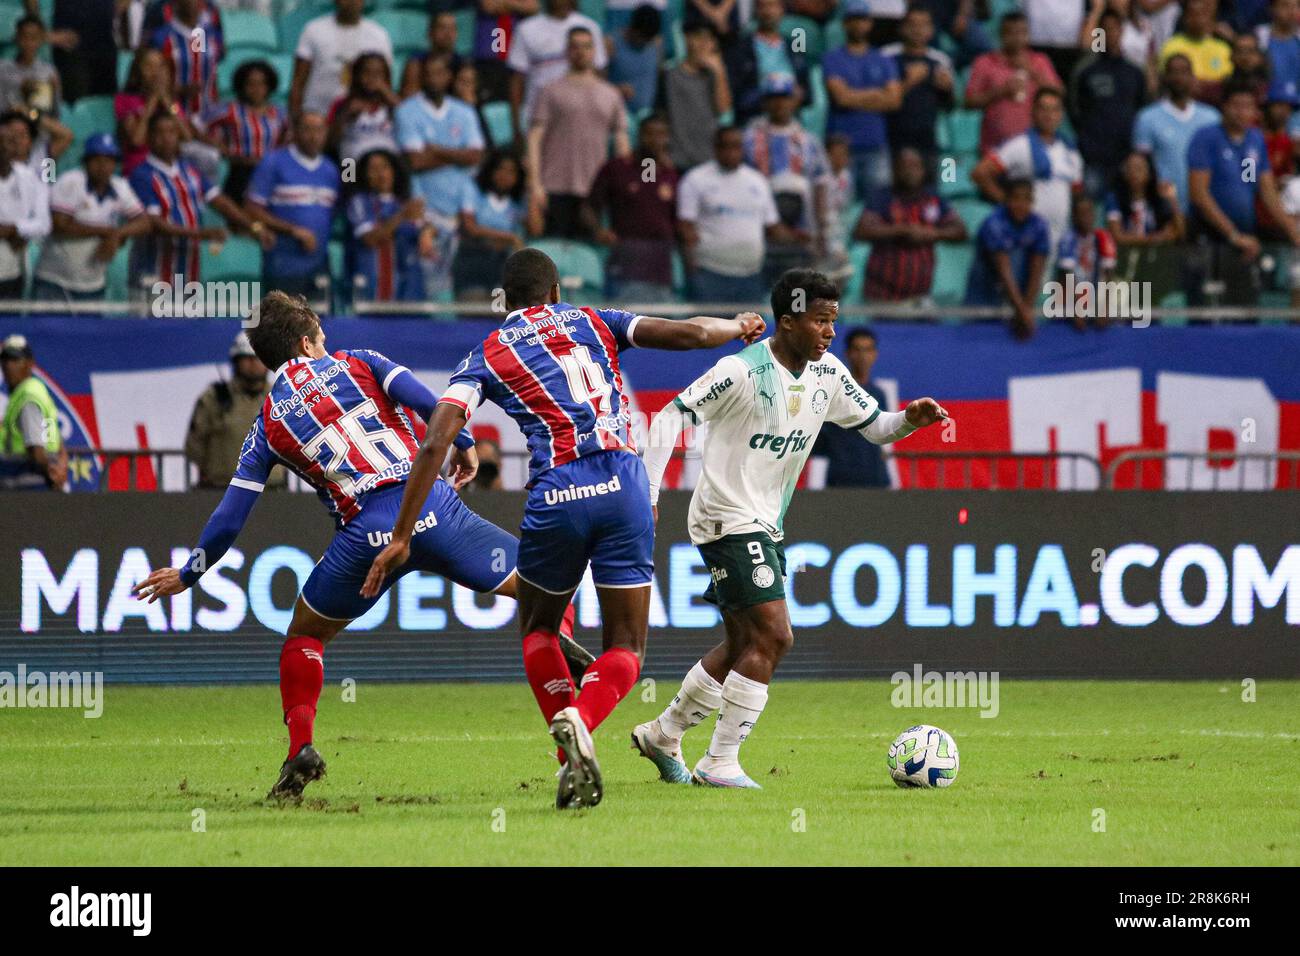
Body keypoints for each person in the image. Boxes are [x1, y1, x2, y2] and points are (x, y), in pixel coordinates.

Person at [134, 290, 595, 801]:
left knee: (303, 639)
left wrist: (190, 573)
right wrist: (464, 446)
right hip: (436, 511)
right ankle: (564, 736)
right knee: (548, 589)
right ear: (308, 341)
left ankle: (301, 750)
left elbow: (231, 515)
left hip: (366, 536)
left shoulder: (267, 421)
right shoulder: (362, 362)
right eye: (321, 337)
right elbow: (435, 405)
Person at [361, 248, 767, 810]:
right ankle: (584, 718)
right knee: (625, 645)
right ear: (555, 292)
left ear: (504, 301)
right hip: (623, 483)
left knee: (539, 629)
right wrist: (737, 326)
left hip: (557, 493)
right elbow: (692, 334)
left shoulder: (486, 355)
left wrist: (403, 534)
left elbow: (435, 440)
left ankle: (565, 744)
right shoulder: (594, 320)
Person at [634, 269, 947, 788]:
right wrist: (647, 497)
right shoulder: (739, 370)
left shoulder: (828, 375)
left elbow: (875, 428)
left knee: (742, 645)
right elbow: (669, 418)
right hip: (726, 516)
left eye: (833, 321)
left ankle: (664, 733)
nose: (829, 332)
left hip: (764, 522)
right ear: (788, 321)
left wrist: (910, 418)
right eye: (821, 321)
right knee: (776, 635)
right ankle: (720, 761)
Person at [1185, 78, 1300, 305]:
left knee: (1244, 307)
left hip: (1246, 238)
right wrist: (1233, 235)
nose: (1242, 112)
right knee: (1206, 309)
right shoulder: (1207, 138)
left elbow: (1265, 191)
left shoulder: (1254, 140)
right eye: (1236, 105)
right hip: (1209, 238)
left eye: (1248, 106)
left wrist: (1293, 231)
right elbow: (1199, 194)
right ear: (1224, 107)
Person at [128, 110, 267, 293]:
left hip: (188, 271)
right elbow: (154, 223)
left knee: (187, 320)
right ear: (149, 137)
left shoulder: (190, 170)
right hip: (153, 272)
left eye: (171, 132)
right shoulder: (142, 174)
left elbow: (220, 202)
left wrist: (253, 227)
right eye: (159, 132)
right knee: (152, 321)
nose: (166, 138)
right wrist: (200, 234)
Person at [396, 52, 486, 298]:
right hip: (426, 211)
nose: (433, 78)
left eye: (439, 72)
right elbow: (415, 161)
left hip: (462, 210)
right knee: (428, 290)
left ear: (449, 77)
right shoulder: (407, 111)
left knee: (464, 288)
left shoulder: (464, 112)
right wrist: (458, 155)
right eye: (428, 73)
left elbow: (476, 156)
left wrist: (434, 149)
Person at [527, 26, 628, 238]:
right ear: (567, 51)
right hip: (554, 187)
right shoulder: (550, 90)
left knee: (586, 260)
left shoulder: (611, 94)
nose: (581, 52)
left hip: (595, 190)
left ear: (595, 51)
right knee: (553, 258)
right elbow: (535, 138)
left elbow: (621, 143)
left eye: (587, 46)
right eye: (575, 46)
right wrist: (535, 184)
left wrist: (620, 187)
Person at [33, 133, 150, 304]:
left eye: (109, 160)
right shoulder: (71, 181)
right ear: (86, 162)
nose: (103, 166)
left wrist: (116, 234)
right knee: (46, 331)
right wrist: (106, 231)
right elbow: (59, 225)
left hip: (93, 284)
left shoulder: (120, 186)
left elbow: (145, 223)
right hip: (55, 281)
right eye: (96, 160)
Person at [678, 125, 783, 303]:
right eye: (725, 146)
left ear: (742, 149)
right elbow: (685, 226)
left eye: (736, 147)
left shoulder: (757, 181)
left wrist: (804, 239)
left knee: (750, 331)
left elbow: (773, 227)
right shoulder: (696, 179)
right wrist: (691, 267)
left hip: (751, 276)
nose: (730, 152)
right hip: (709, 274)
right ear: (715, 148)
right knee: (708, 330)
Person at [972, 88, 1083, 254]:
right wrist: (1008, 203)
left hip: (1060, 235)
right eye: (1043, 108)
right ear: (1033, 112)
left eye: (1054, 109)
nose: (1049, 115)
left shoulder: (1071, 152)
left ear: (1061, 114)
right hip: (1024, 235)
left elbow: (1075, 192)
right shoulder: (1019, 145)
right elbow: (980, 173)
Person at [244, 112, 340, 304]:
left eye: (319, 130)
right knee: (285, 325)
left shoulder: (332, 170)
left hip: (320, 264)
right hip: (283, 263)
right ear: (295, 132)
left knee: (321, 326)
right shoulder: (273, 162)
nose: (313, 136)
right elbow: (252, 208)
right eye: (307, 129)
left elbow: (333, 212)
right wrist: (294, 230)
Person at [584, 111, 678, 301]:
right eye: (649, 134)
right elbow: (588, 207)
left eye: (660, 135)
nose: (654, 140)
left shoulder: (669, 174)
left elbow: (670, 213)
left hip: (659, 264)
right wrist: (598, 230)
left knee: (661, 323)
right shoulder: (617, 168)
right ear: (639, 135)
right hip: (625, 259)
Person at [854, 146, 966, 301]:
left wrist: (932, 233)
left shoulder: (933, 199)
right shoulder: (882, 198)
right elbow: (862, 231)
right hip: (883, 296)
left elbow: (960, 231)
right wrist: (903, 231)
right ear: (896, 170)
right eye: (905, 166)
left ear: (923, 170)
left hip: (920, 296)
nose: (910, 172)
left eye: (915, 166)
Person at [743, 73, 823, 282]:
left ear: (794, 100)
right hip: (762, 226)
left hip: (801, 227)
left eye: (785, 97)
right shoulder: (750, 138)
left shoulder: (808, 141)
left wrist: (821, 230)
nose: (779, 103)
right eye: (773, 97)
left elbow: (821, 183)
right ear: (765, 102)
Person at [823, 0, 902, 205]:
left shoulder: (883, 59)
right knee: (840, 205)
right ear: (844, 23)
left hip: (875, 143)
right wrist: (877, 93)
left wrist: (854, 96)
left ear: (870, 23)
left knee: (877, 207)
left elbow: (894, 101)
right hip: (842, 145)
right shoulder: (832, 58)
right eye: (853, 19)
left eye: (863, 19)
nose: (858, 25)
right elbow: (841, 97)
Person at [184, 332, 285, 489]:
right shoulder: (215, 397)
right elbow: (194, 444)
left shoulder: (280, 397)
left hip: (271, 492)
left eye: (259, 358)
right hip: (221, 489)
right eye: (246, 358)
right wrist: (214, 472)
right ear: (236, 362)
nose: (253, 363)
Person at [1070, 6, 1148, 198]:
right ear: (1099, 33)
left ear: (1122, 31)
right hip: (1094, 156)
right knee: (1089, 206)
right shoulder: (1087, 70)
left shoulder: (1135, 72)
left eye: (1115, 29)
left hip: (1126, 157)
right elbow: (1074, 109)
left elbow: (1142, 109)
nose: (1111, 34)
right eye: (1105, 30)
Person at [964, 11, 1062, 155]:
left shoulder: (1040, 61)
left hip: (1035, 149)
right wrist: (1000, 91)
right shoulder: (985, 62)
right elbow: (969, 102)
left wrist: (1032, 71)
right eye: (1011, 33)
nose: (1017, 38)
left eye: (1022, 32)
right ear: (1001, 34)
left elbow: (1058, 92)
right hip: (995, 148)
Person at [964, 178, 1052, 339]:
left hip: (1018, 301)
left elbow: (1037, 271)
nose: (1020, 204)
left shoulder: (1039, 225)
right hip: (984, 295)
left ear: (1032, 202)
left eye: (1026, 199)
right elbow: (1004, 272)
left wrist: (1027, 309)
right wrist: (1022, 311)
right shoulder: (994, 223)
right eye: (1016, 198)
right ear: (1007, 200)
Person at [507, 0, 607, 142]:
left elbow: (600, 74)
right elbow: (516, 82)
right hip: (539, 118)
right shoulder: (526, 29)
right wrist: (516, 128)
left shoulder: (589, 27)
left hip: (581, 118)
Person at [1132, 54, 1221, 212]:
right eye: (1173, 72)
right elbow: (1141, 166)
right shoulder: (1147, 118)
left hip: (1207, 207)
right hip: (1166, 207)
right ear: (1164, 77)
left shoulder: (1212, 117)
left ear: (1192, 76)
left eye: (1184, 72)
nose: (1179, 78)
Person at [810, 326, 893, 488]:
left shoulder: (879, 394)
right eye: (857, 350)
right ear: (847, 354)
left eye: (868, 350)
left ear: (875, 355)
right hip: (840, 479)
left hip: (875, 479)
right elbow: (817, 437)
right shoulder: (833, 391)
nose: (863, 356)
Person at [347, 149, 433, 304]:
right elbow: (370, 239)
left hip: (409, 294)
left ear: (394, 171)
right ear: (364, 174)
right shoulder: (359, 202)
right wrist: (402, 216)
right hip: (371, 292)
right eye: (374, 169)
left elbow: (427, 226)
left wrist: (428, 232)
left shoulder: (405, 204)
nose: (381, 174)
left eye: (385, 167)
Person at [881, 5, 955, 177]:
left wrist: (947, 90)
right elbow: (881, 101)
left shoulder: (941, 60)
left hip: (928, 139)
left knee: (931, 192)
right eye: (912, 24)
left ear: (931, 30)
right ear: (902, 28)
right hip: (894, 138)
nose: (918, 30)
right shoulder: (886, 56)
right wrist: (909, 82)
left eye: (924, 25)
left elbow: (950, 107)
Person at [290, 0, 393, 120]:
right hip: (317, 118)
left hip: (359, 122)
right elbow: (298, 82)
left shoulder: (379, 35)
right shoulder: (313, 30)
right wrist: (294, 120)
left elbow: (386, 82)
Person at [202, 60, 287, 204]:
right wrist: (223, 149)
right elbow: (197, 125)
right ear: (242, 85)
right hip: (241, 173)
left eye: (262, 84)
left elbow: (286, 139)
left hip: (270, 174)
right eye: (251, 84)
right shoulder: (230, 110)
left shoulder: (279, 113)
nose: (257, 89)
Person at [452, 149, 528, 299]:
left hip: (501, 269)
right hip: (472, 265)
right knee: (473, 313)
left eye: (511, 172)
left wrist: (531, 183)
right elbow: (470, 227)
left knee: (500, 315)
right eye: (500, 169)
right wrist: (510, 237)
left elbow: (535, 228)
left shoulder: (517, 202)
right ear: (490, 170)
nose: (504, 176)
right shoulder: (473, 190)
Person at [658, 20, 732, 172]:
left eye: (710, 39)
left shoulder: (716, 77)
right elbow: (660, 117)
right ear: (687, 39)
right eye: (699, 37)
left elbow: (723, 109)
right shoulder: (669, 75)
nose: (704, 44)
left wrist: (719, 72)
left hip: (709, 159)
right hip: (677, 158)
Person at [726, 0, 812, 124]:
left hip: (790, 122)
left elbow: (808, 93)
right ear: (755, 11)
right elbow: (736, 96)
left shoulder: (795, 46)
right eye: (762, 6)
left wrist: (799, 95)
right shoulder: (740, 48)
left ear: (782, 10)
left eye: (772, 6)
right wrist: (772, 97)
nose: (768, 12)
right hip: (754, 121)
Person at [0, 333, 66, 491]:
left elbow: (36, 450)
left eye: (16, 360)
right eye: (5, 360)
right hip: (38, 487)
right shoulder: (37, 392)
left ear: (29, 364)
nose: (9, 366)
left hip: (26, 489)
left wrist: (51, 474)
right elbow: (55, 440)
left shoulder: (27, 399)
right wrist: (61, 465)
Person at [116, 46, 194, 176]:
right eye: (149, 66)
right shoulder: (125, 100)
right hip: (140, 165)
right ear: (138, 72)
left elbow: (187, 136)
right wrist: (151, 102)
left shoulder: (171, 102)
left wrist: (168, 104)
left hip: (170, 164)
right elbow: (137, 141)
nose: (156, 72)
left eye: (160, 66)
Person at [0, 116, 49, 299]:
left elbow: (44, 218)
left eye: (21, 135)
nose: (13, 143)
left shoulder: (45, 161)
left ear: (30, 140)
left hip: (21, 256)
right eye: (11, 137)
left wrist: (34, 114)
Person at [149, 0, 223, 118]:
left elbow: (213, 71)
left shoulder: (211, 34)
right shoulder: (162, 37)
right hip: (173, 112)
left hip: (209, 113)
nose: (193, 4)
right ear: (176, 4)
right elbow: (152, 83)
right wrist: (180, 90)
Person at [327, 52, 401, 168]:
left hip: (386, 166)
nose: (372, 78)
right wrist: (346, 114)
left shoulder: (392, 104)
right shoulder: (343, 103)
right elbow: (330, 142)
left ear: (386, 76)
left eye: (378, 73)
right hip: (351, 164)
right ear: (357, 75)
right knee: (347, 166)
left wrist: (388, 96)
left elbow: (410, 123)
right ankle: (348, 185)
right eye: (366, 72)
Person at [1055, 193, 1117, 329]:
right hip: (1071, 298)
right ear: (1074, 217)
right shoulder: (1068, 239)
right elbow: (1067, 276)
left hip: (1095, 295)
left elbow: (1109, 276)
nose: (1085, 218)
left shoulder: (1103, 238)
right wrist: (1077, 309)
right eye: (1081, 213)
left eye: (1088, 212)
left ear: (1094, 215)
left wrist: (1104, 308)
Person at [1159, 0, 1232, 103]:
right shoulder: (1172, 46)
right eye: (1193, 14)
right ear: (1185, 18)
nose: (1198, 19)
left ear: (1211, 17)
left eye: (1202, 14)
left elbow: (1226, 81)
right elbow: (1166, 78)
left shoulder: (1222, 48)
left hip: (1216, 104)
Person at [0, 15, 63, 118]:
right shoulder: (2, 69)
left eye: (33, 38)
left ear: (42, 39)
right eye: (24, 37)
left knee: (64, 133)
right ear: (16, 37)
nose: (28, 43)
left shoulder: (48, 72)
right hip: (9, 123)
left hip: (37, 123)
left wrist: (54, 93)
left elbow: (53, 114)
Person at [608, 4, 663, 114]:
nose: (645, 42)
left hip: (647, 117)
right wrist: (615, 89)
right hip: (619, 113)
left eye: (649, 39)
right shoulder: (611, 44)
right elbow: (596, 83)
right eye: (642, 37)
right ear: (633, 28)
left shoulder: (657, 43)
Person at [399, 11, 462, 100]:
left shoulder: (463, 64)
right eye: (442, 28)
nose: (448, 33)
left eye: (452, 28)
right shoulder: (416, 63)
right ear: (430, 32)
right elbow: (408, 104)